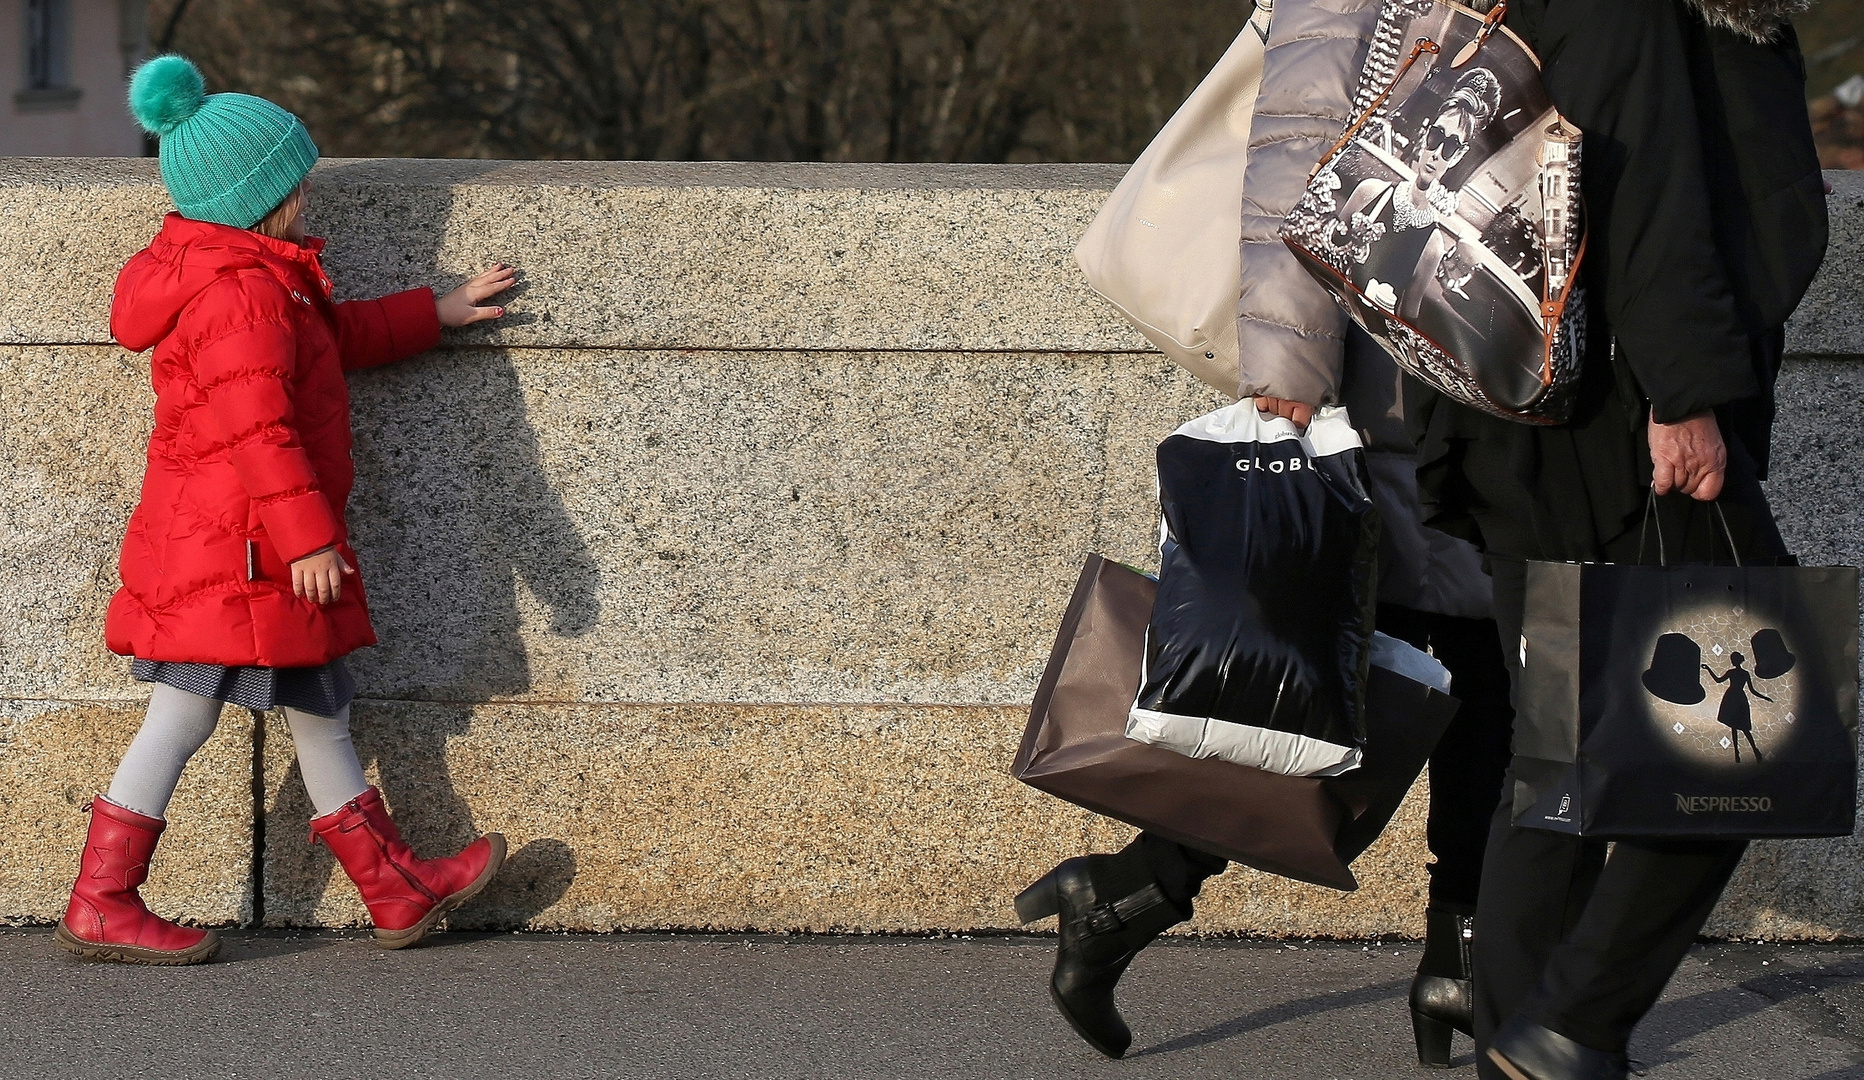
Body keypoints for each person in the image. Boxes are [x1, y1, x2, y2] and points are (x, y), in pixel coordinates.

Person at [1013, 0, 1517, 1067]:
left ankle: (1134, 890)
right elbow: (1292, 152)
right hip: (1382, 378)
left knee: (1441, 662)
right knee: (1419, 664)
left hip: (1469, 367)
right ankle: (1458, 958)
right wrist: (1284, 382)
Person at [1397, 3, 1829, 1077]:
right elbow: (1642, 188)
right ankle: (1573, 1027)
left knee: (1560, 756)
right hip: (1614, 417)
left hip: (1526, 403)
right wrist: (1685, 398)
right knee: (1747, 735)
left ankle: (1522, 1042)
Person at [55, 55, 518, 965]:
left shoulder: (243, 274)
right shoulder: (243, 293)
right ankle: (103, 897)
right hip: (248, 552)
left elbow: (328, 341)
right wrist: (307, 539)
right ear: (256, 195)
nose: (307, 197)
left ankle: (392, 889)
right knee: (186, 714)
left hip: (232, 548)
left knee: (317, 702)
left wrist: (436, 310)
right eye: (294, 184)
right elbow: (259, 428)